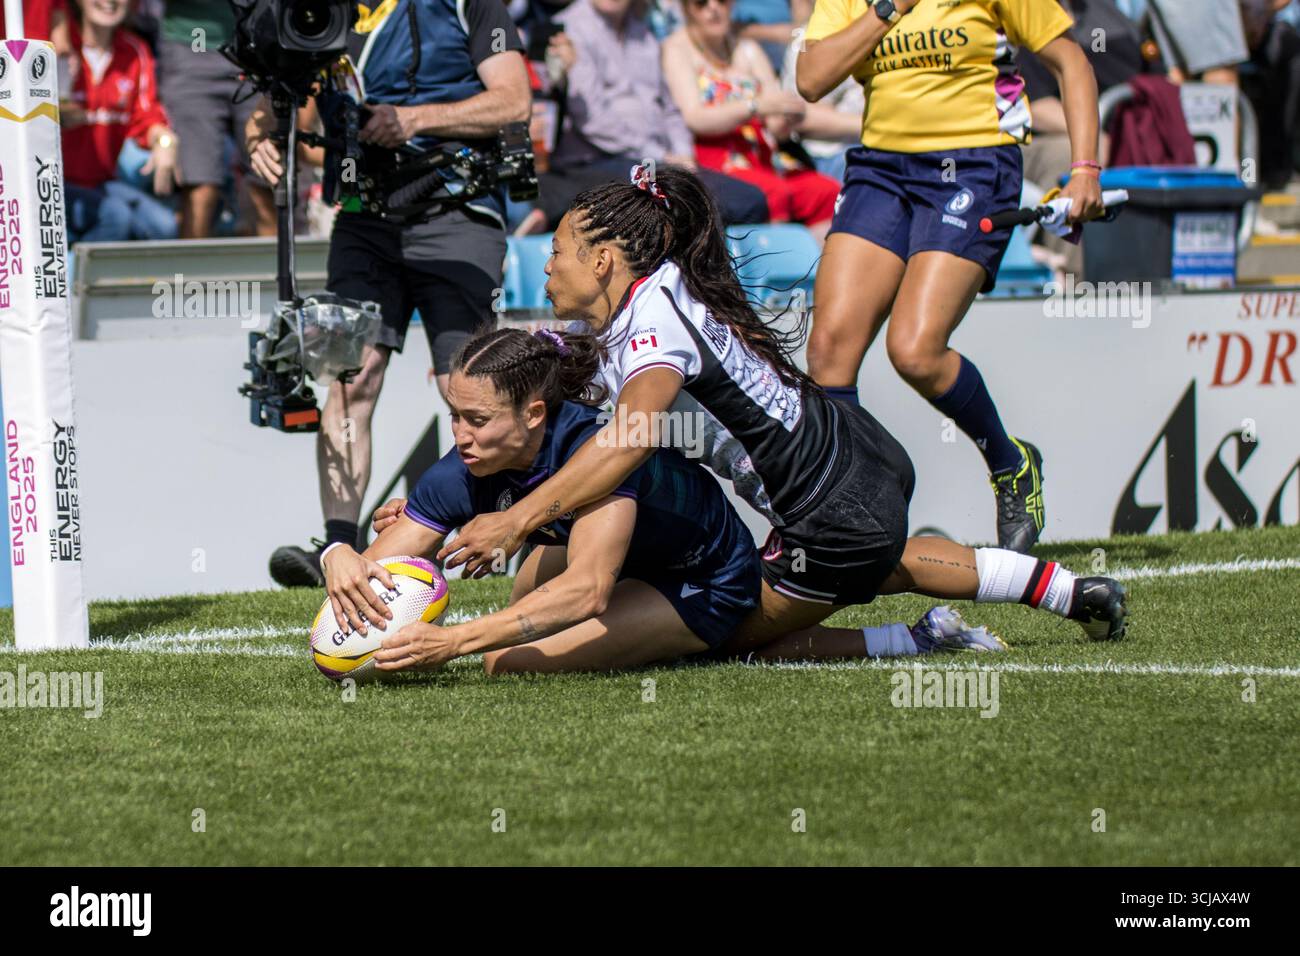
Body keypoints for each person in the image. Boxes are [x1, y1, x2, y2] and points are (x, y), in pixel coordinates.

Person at [378, 167, 1127, 671]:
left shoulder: (651, 324)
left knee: (723, 631)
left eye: (563, 250)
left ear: (605, 259)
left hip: (828, 510)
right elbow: (545, 382)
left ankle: (913, 638)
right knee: (878, 562)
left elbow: (633, 439)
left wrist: (516, 523)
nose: (546, 263)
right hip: (858, 463)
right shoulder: (652, 303)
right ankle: (1069, 591)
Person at [327, 327, 999, 672]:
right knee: (520, 607)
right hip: (629, 559)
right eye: (455, 416)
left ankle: (908, 638)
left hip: (703, 576)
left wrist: (452, 642)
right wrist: (341, 557)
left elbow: (588, 589)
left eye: (477, 420)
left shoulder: (594, 457)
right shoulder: (462, 467)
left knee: (506, 659)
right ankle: (900, 628)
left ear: (534, 414)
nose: (461, 436)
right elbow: (384, 559)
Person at [796, 0, 1103, 553]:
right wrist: (888, 10)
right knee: (828, 353)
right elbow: (811, 80)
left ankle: (1012, 465)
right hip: (880, 169)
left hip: (975, 164)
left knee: (915, 350)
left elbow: (1072, 61)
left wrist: (1084, 171)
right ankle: (853, 506)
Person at [250, 0, 533, 589]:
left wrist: (412, 119)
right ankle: (338, 548)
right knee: (352, 377)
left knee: (473, 385)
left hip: (457, 212)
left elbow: (514, 100)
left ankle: (507, 534)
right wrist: (262, 137)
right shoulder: (320, 11)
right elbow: (278, 104)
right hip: (362, 219)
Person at [519, 0, 770, 233]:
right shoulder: (565, 32)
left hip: (656, 161)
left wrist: (684, 154)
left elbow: (670, 108)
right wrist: (660, 155)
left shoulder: (644, 34)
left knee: (750, 201)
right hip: (597, 161)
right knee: (690, 204)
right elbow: (594, 122)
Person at [662, 0, 842, 244]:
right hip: (717, 158)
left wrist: (785, 116)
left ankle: (816, 270)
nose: (713, 8)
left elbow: (774, 120)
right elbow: (694, 118)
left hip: (764, 155)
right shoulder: (677, 47)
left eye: (722, 1)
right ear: (687, 9)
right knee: (772, 194)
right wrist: (754, 106)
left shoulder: (748, 49)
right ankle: (777, 272)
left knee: (825, 191)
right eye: (701, 3)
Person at [60, 0, 179, 244]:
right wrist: (57, 115)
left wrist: (165, 141)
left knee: (163, 226)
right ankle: (76, 282)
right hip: (54, 185)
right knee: (116, 216)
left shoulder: (135, 51)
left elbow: (147, 117)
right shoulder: (59, 46)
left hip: (101, 182)